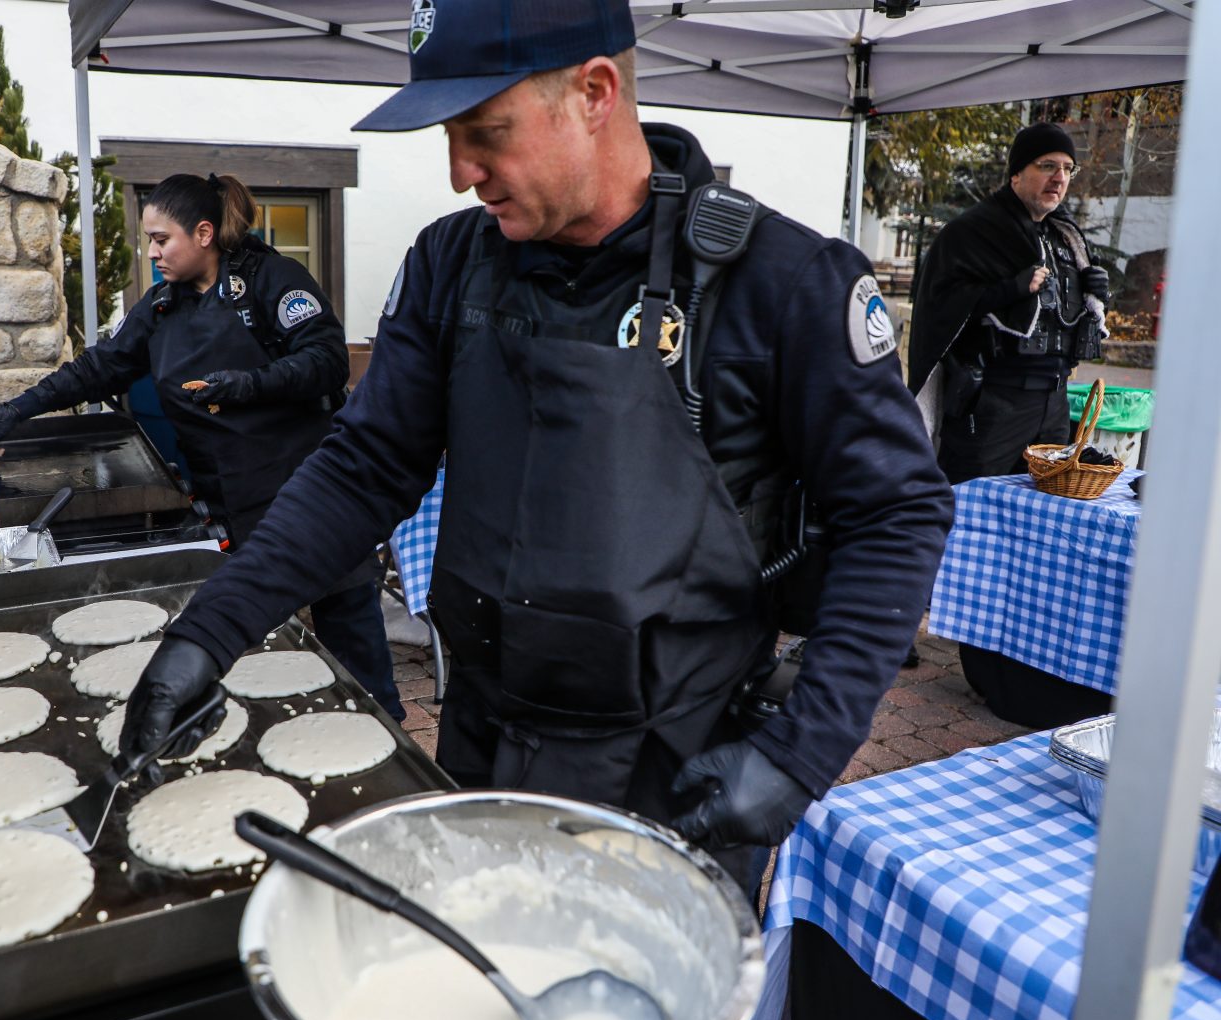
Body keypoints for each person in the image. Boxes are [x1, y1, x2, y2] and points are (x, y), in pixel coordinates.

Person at [118, 0, 952, 890]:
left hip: (679, 771)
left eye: (486, 133)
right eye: (449, 136)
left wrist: (800, 750)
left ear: (594, 91)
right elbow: (363, 468)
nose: (459, 172)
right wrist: (208, 635)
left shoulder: (779, 283)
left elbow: (896, 513)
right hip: (482, 738)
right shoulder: (449, 264)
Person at [0, 172, 403, 721]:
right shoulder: (161, 306)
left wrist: (249, 384)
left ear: (203, 233)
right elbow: (99, 368)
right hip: (232, 503)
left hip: (312, 494)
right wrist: (17, 410)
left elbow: (326, 360)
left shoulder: (273, 280)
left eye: (161, 239)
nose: (152, 253)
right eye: (149, 240)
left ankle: (390, 734)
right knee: (255, 650)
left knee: (352, 637)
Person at [909, 122, 1111, 483]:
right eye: (1047, 166)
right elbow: (942, 304)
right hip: (993, 402)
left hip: (1054, 404)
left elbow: (1067, 318)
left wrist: (1093, 290)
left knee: (1042, 510)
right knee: (968, 504)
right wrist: (1007, 290)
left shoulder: (1066, 237)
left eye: (1068, 169)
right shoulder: (973, 232)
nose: (1060, 178)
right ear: (1017, 174)